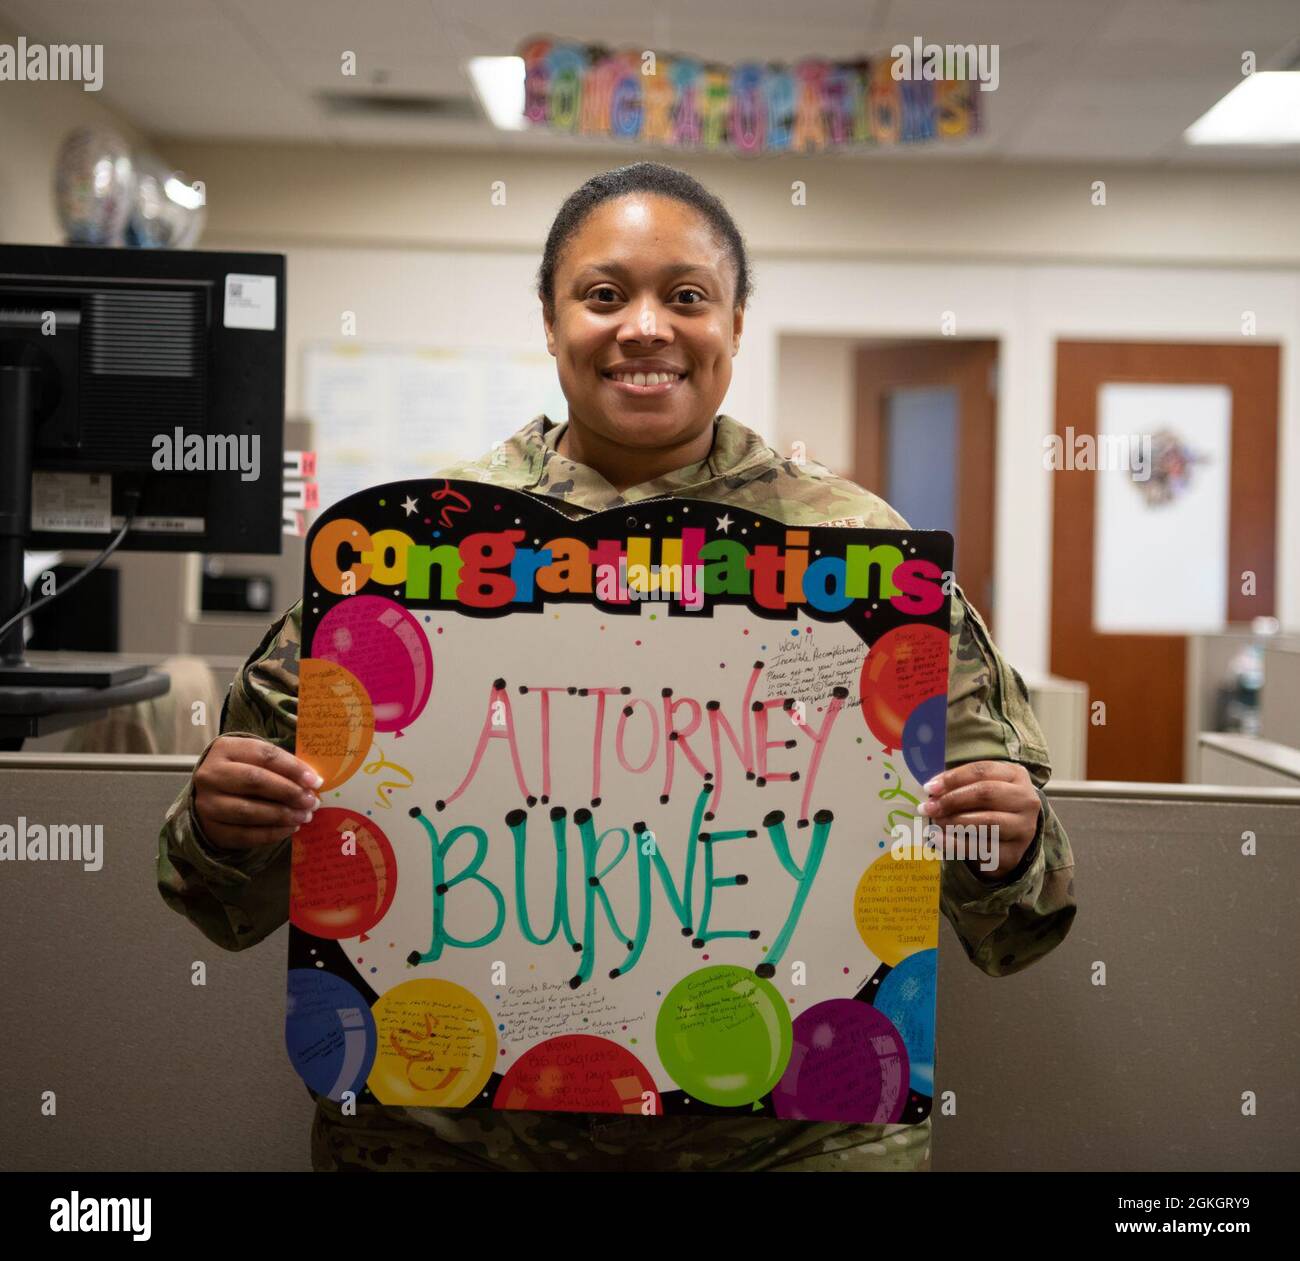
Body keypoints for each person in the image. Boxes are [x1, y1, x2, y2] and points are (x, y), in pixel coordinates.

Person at [158, 162, 1076, 1173]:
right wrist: (221, 821)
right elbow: (223, 892)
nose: (645, 327)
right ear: (551, 325)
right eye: (604, 295)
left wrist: (1003, 836)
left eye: (686, 296)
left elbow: (1013, 917)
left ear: (733, 322)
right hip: (449, 1140)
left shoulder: (862, 561)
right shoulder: (409, 555)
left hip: (789, 1144)